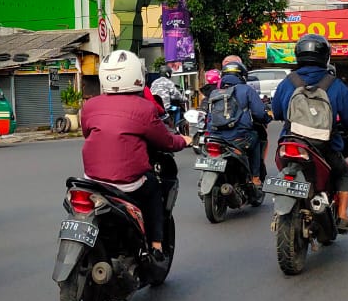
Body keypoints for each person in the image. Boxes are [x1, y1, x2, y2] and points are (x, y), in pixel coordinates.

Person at [80, 50, 191, 266]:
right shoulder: (144, 108)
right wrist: (183, 141)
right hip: (128, 183)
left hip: (91, 180)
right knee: (153, 191)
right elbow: (166, 142)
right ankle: (157, 245)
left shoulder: (90, 105)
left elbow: (88, 133)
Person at [271, 34, 348, 231]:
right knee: (343, 172)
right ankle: (343, 215)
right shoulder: (335, 84)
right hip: (324, 146)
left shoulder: (288, 82)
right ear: (325, 56)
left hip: (290, 144)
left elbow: (277, 111)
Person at [206, 63, 269, 188]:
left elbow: (208, 117)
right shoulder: (246, 90)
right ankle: (255, 177)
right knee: (256, 140)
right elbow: (260, 113)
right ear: (242, 76)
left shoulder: (214, 92)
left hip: (215, 137)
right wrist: (267, 118)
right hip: (239, 137)